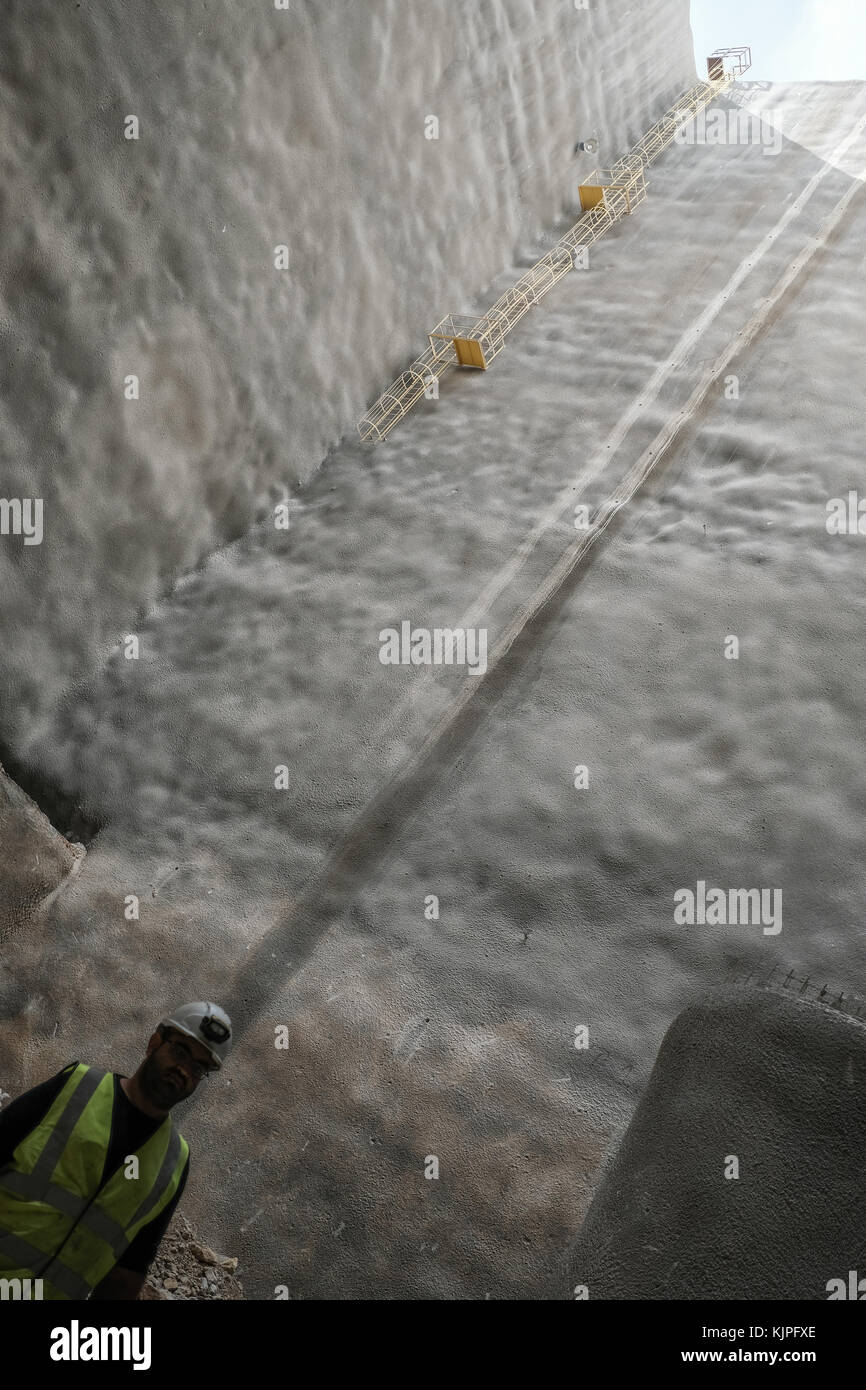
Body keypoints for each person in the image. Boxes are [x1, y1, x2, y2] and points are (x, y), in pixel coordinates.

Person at [0, 1002, 232, 1300]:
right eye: (180, 1052)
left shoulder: (173, 1163)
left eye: (198, 1067)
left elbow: (128, 1273)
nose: (184, 1070)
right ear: (154, 1043)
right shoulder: (76, 1087)